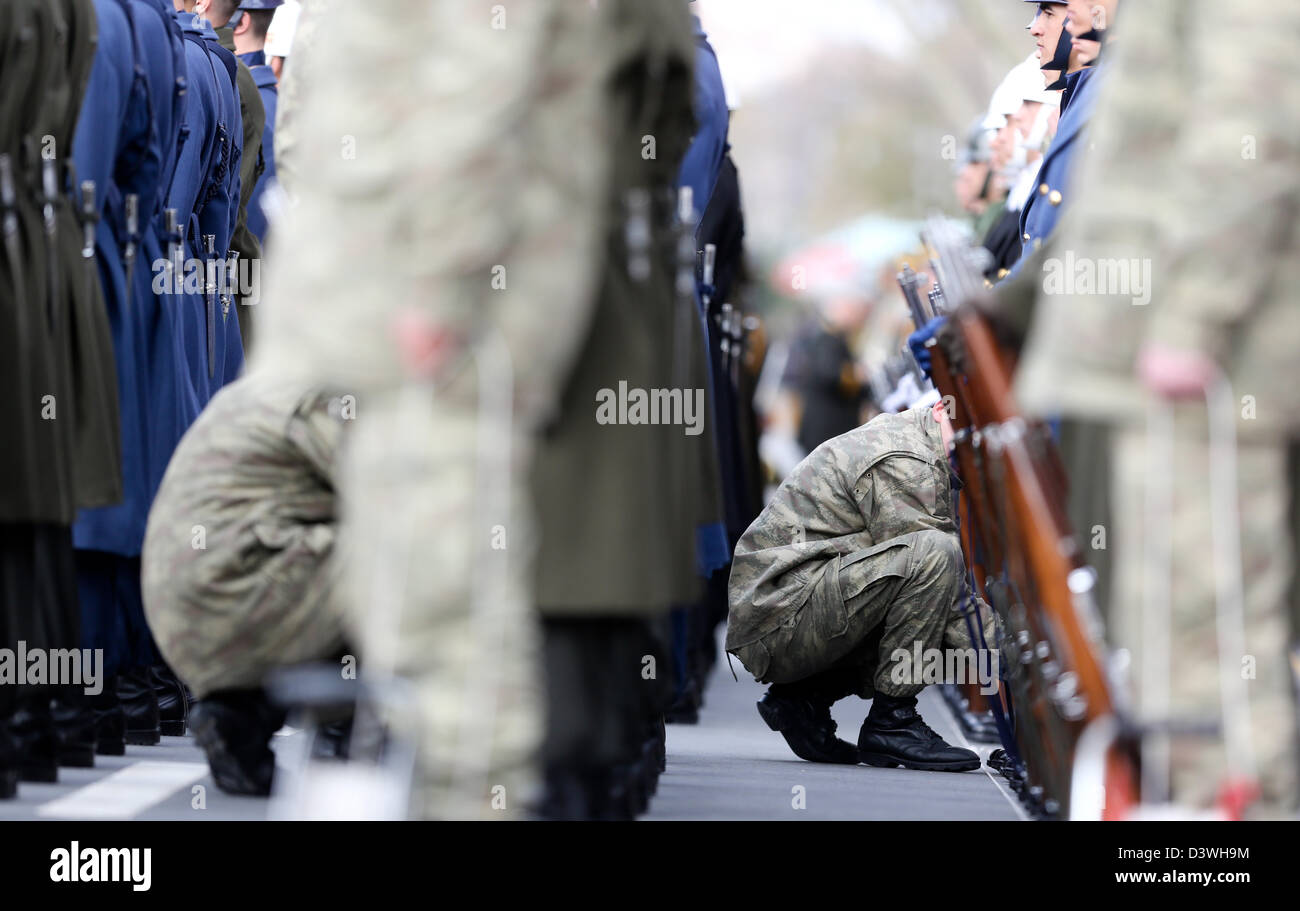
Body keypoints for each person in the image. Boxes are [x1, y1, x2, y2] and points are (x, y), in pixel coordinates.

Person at [256, 0, 654, 819]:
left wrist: (439, 281)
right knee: (415, 606)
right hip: (406, 302)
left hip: (430, 313)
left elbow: (481, 72)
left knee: (445, 621)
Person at [1014, 0, 1299, 817]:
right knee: (1182, 655)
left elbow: (1256, 117)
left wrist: (1193, 316)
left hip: (1210, 362)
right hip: (1168, 352)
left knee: (1210, 659)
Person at [727, 399, 997, 771]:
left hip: (785, 611)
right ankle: (893, 723)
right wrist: (1017, 659)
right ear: (940, 410)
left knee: (921, 597)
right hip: (779, 620)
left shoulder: (921, 442)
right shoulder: (907, 459)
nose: (976, 447)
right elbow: (945, 593)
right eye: (971, 432)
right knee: (934, 555)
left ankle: (803, 698)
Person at [141, 371, 346, 795]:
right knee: (391, 558)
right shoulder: (327, 400)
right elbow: (387, 501)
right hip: (238, 596)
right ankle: (353, 725)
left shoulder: (262, 388)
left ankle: (237, 717)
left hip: (177, 613)